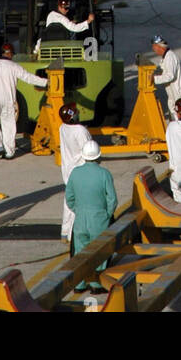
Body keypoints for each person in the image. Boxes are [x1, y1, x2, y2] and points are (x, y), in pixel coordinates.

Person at [0, 43, 48, 160]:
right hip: (9, 100)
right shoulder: (14, 66)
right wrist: (46, 82)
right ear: (10, 54)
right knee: (9, 125)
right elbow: (29, 77)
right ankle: (9, 152)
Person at [65, 141, 118, 290]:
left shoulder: (75, 173)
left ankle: (79, 284)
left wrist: (78, 210)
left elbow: (69, 197)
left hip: (81, 218)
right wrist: (106, 214)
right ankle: (95, 283)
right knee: (98, 252)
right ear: (98, 156)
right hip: (99, 219)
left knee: (80, 253)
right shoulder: (104, 174)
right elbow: (112, 199)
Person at [59, 102, 94, 241]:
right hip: (80, 171)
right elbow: (89, 150)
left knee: (68, 200)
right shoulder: (80, 130)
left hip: (68, 170)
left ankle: (65, 231)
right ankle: (72, 235)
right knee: (79, 204)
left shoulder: (63, 128)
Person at [151, 35, 181, 120]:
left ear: (159, 47)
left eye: (154, 48)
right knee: (174, 113)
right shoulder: (166, 57)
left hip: (179, 92)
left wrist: (154, 79)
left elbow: (170, 76)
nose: (154, 51)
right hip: (173, 92)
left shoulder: (170, 57)